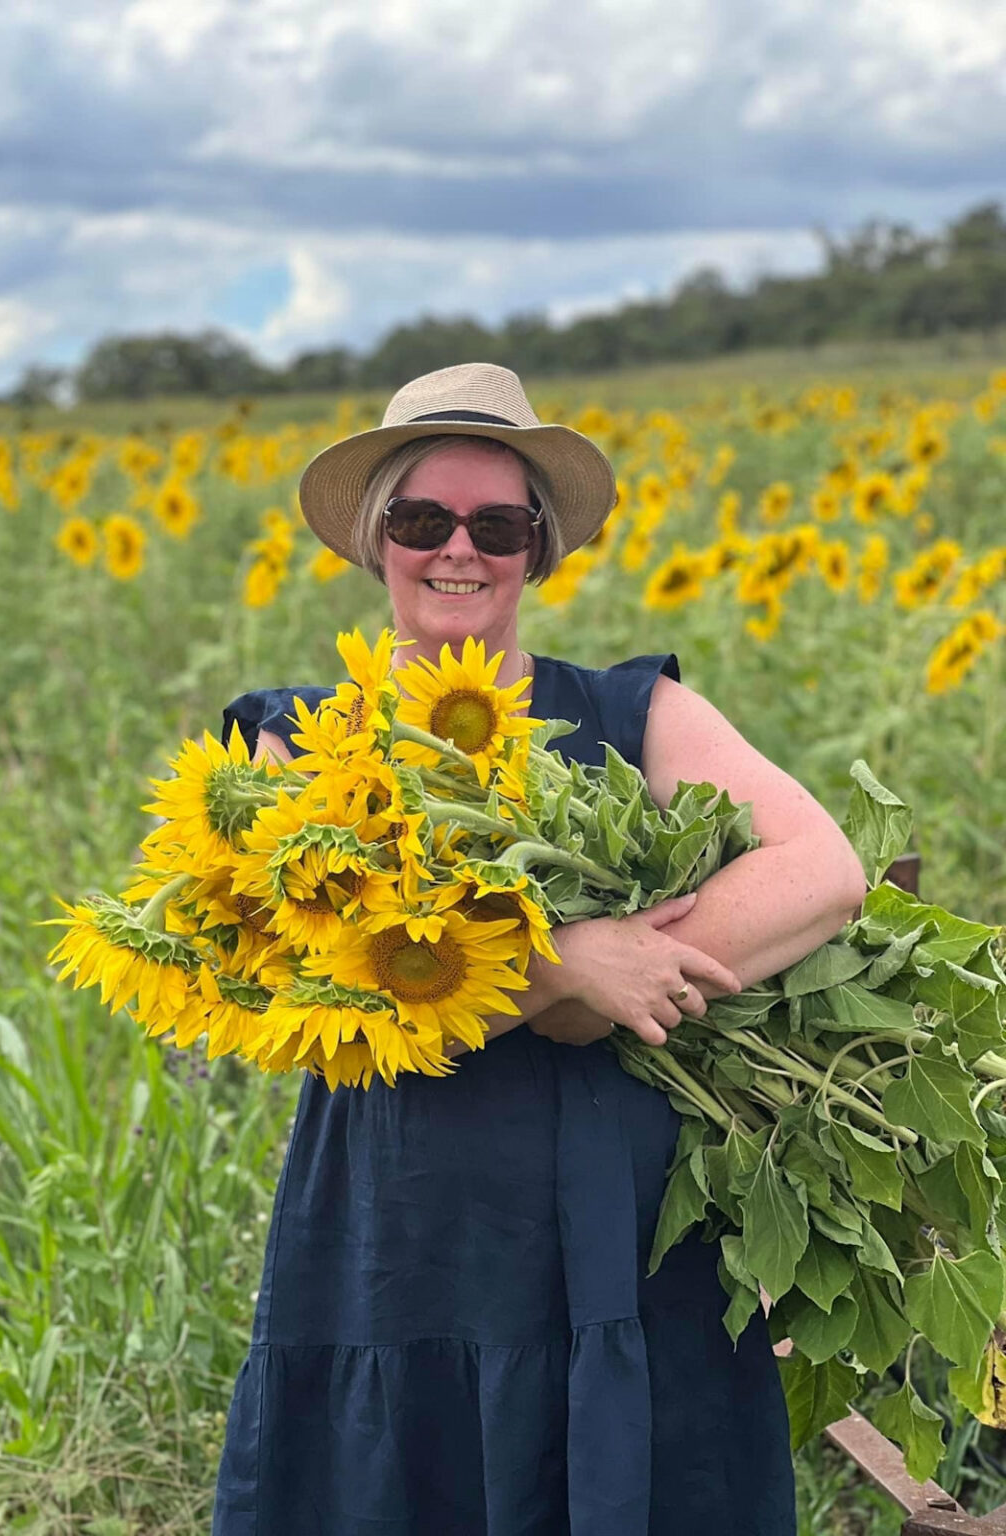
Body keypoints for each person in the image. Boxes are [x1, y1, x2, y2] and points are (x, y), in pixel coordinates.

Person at [212, 363, 867, 1536]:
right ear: (376, 541)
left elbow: (823, 868)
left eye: (498, 525)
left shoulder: (629, 715)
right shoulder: (298, 745)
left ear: (539, 549)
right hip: (401, 1235)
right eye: (423, 521)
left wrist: (622, 971)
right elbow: (291, 991)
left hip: (615, 1235)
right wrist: (553, 971)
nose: (458, 550)